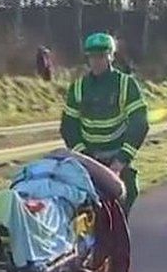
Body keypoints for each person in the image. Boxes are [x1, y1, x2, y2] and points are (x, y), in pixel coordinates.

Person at [60, 32, 149, 215]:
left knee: (125, 198)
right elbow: (68, 126)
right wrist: (84, 156)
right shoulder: (78, 87)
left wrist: (122, 159)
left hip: (117, 157)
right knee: (81, 208)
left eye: (101, 56)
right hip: (89, 157)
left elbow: (139, 123)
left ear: (111, 56)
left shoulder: (126, 84)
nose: (96, 61)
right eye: (92, 56)